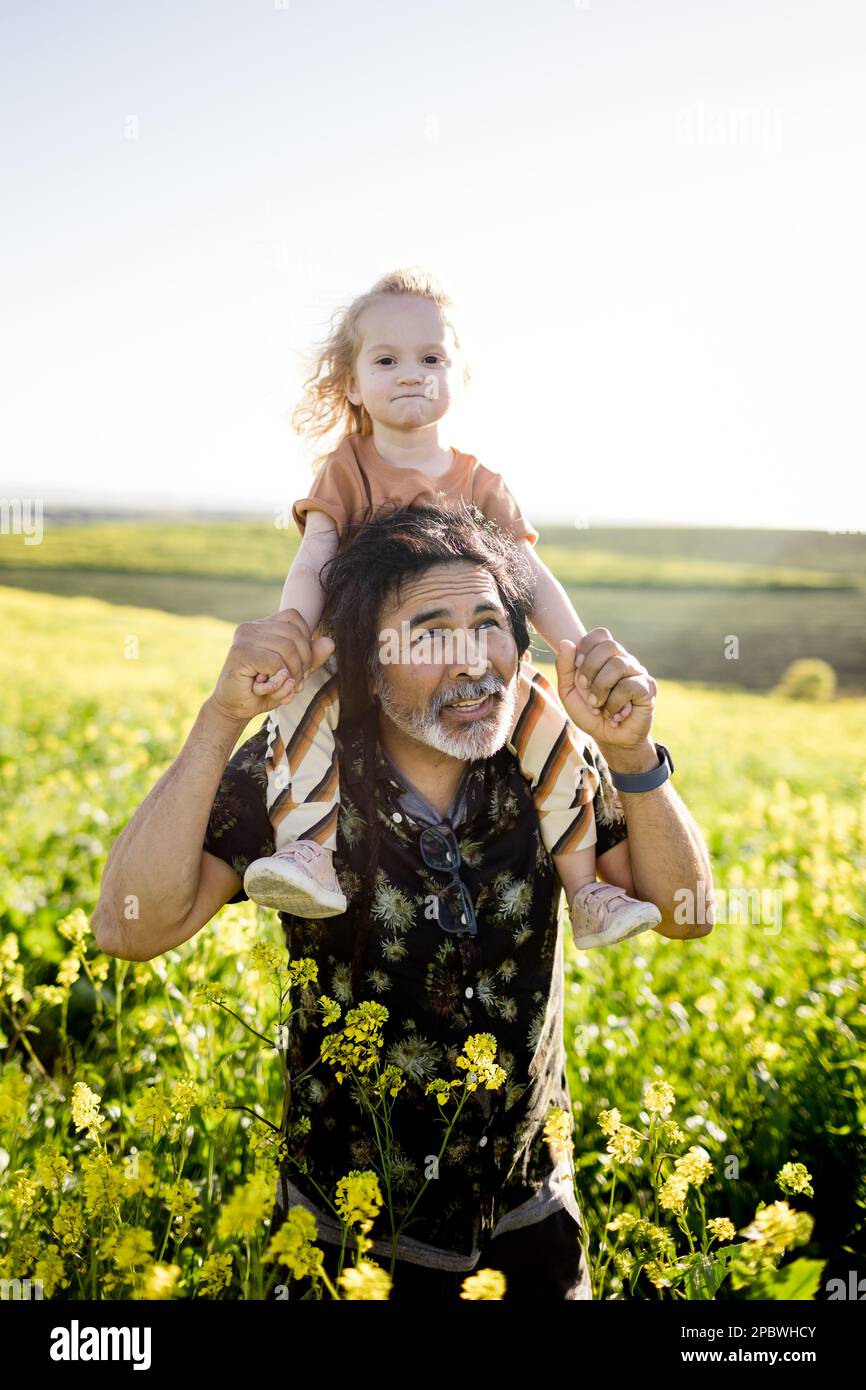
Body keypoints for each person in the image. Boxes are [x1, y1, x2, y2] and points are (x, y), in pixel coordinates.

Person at [92, 502, 715, 1302]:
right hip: (339, 1233)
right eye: (430, 634)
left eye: (491, 624)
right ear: (363, 662)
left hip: (529, 1221)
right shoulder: (295, 773)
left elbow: (689, 915)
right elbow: (128, 928)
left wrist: (632, 753)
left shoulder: (551, 762)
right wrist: (221, 719)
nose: (473, 661)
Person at [241, 266, 661, 950]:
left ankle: (587, 891)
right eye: (387, 359)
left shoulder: (479, 479)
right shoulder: (346, 468)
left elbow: (527, 570)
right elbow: (315, 556)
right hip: (365, 652)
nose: (412, 373)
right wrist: (293, 634)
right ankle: (309, 853)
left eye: (432, 357)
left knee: (552, 737)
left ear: (459, 376)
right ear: (352, 384)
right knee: (301, 717)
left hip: (472, 661)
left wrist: (576, 648)